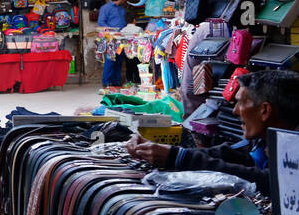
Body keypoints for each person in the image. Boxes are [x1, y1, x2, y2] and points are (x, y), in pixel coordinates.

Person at [127, 69, 299, 192]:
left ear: (264, 110)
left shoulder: (294, 150)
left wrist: (178, 158)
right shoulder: (262, 141)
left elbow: (267, 181)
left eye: (240, 103)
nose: (235, 111)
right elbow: (230, 154)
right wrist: (169, 153)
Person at [98, 0, 129, 88]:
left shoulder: (122, 9)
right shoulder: (105, 8)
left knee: (119, 60)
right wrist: (111, 31)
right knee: (110, 59)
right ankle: (106, 81)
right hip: (112, 39)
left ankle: (116, 81)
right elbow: (101, 22)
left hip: (122, 38)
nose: (125, 0)